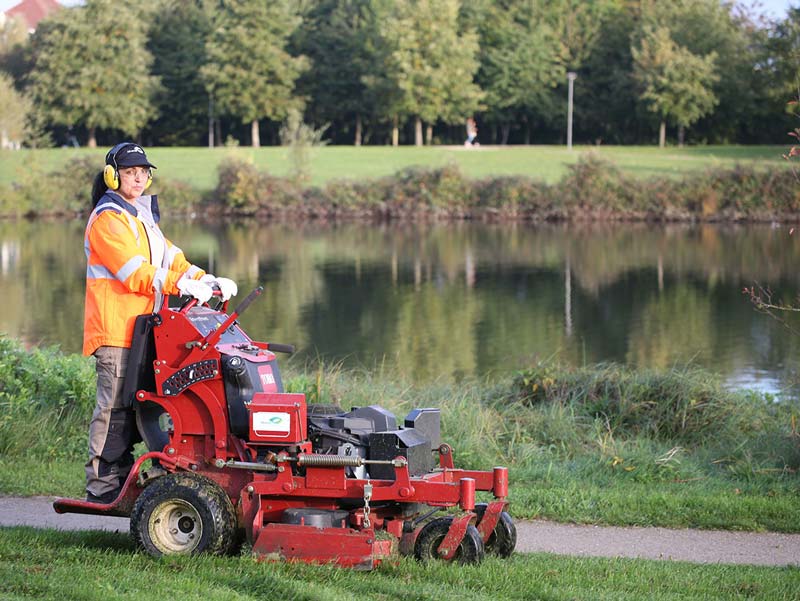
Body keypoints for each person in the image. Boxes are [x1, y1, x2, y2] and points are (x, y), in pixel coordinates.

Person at [83, 142, 238, 504]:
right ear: (112, 175)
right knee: (113, 412)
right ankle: (102, 488)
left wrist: (207, 278)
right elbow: (134, 273)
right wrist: (180, 284)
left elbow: (174, 259)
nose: (138, 178)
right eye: (130, 172)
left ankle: (141, 480)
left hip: (143, 331)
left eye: (143, 172)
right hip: (116, 331)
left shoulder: (142, 219)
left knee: (148, 407)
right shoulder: (108, 220)